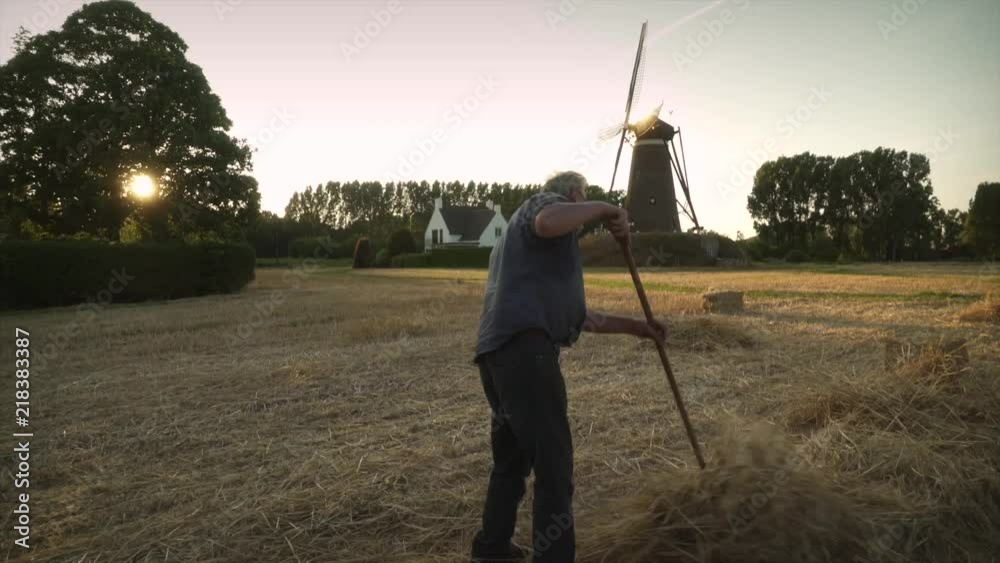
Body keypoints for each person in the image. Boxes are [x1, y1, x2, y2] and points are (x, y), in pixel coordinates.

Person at [470, 171, 668, 563]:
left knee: (511, 461)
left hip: (497, 356)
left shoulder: (531, 251)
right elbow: (548, 220)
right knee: (554, 465)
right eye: (584, 198)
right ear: (574, 195)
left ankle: (491, 549)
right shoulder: (541, 206)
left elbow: (580, 318)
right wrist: (605, 208)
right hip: (527, 354)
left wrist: (640, 329)